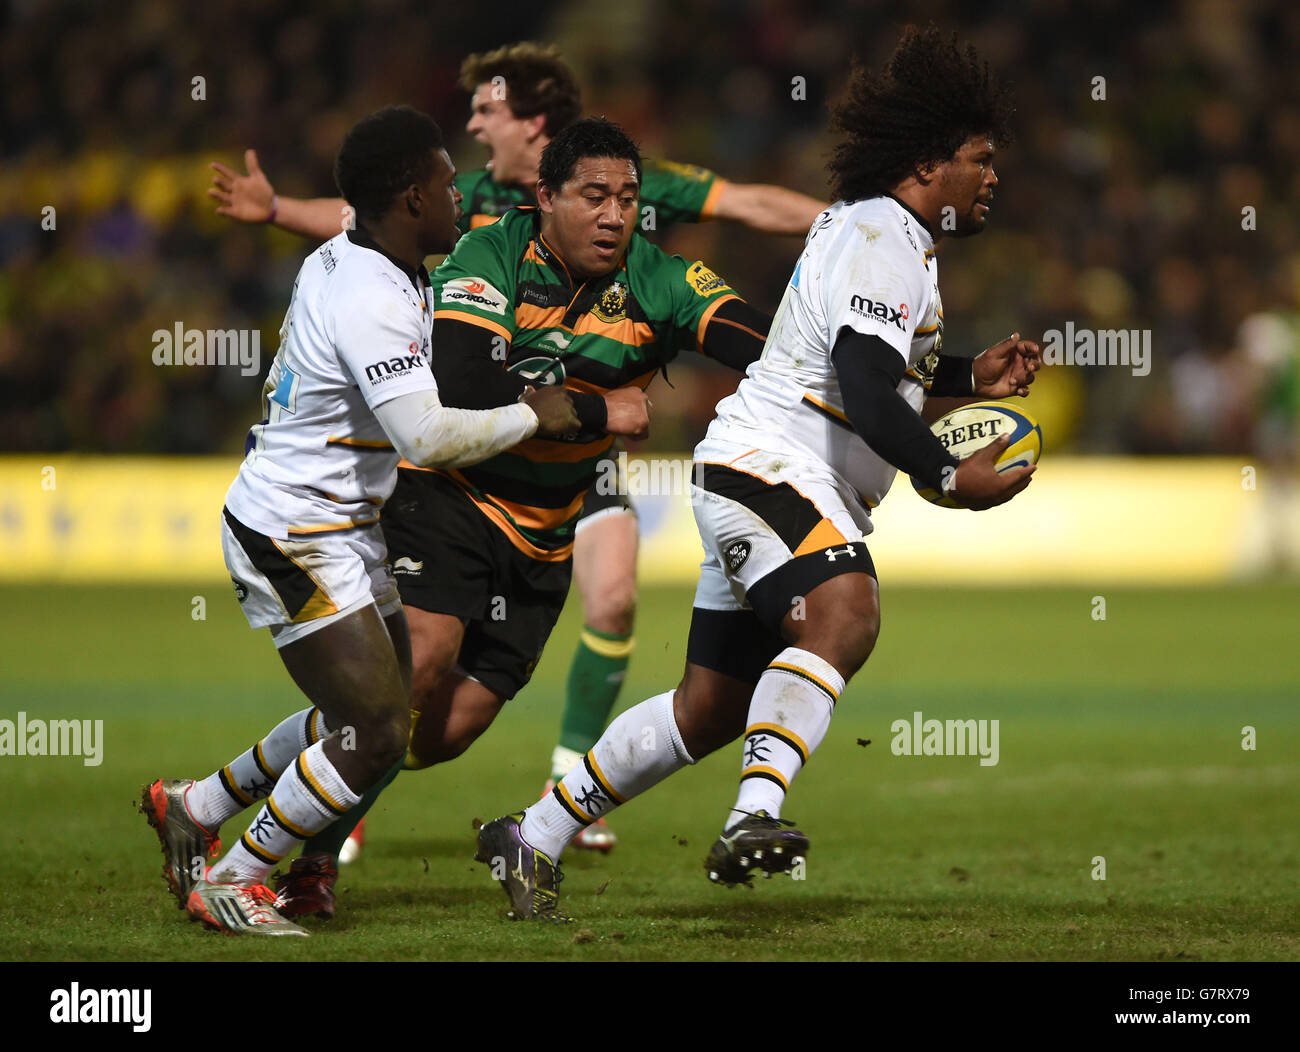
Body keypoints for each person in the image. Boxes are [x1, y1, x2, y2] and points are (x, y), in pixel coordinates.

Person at [476, 26, 1043, 923]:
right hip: (773, 466)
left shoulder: (884, 237)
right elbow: (860, 379)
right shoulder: (882, 234)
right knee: (845, 611)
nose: (993, 176)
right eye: (980, 158)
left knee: (709, 708)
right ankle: (753, 818)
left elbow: (862, 360)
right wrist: (943, 475)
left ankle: (533, 834)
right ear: (931, 165)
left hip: (766, 472)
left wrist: (966, 375)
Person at [207, 41, 824, 856]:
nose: (615, 211)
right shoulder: (480, 235)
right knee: (408, 682)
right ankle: (290, 855)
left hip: (549, 517)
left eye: (627, 199)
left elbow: (766, 322)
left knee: (439, 730)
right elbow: (453, 385)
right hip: (454, 490)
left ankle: (222, 793)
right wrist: (592, 407)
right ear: (547, 195)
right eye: (596, 197)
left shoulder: (655, 261)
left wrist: (853, 249)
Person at [139, 105, 579, 936]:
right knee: (377, 728)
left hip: (341, 526)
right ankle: (234, 877)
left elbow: (349, 211)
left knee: (376, 707)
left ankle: (197, 806)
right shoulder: (372, 295)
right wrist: (530, 413)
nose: (462, 198)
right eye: (450, 184)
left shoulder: (362, 245)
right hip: (293, 531)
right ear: (413, 198)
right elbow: (427, 435)